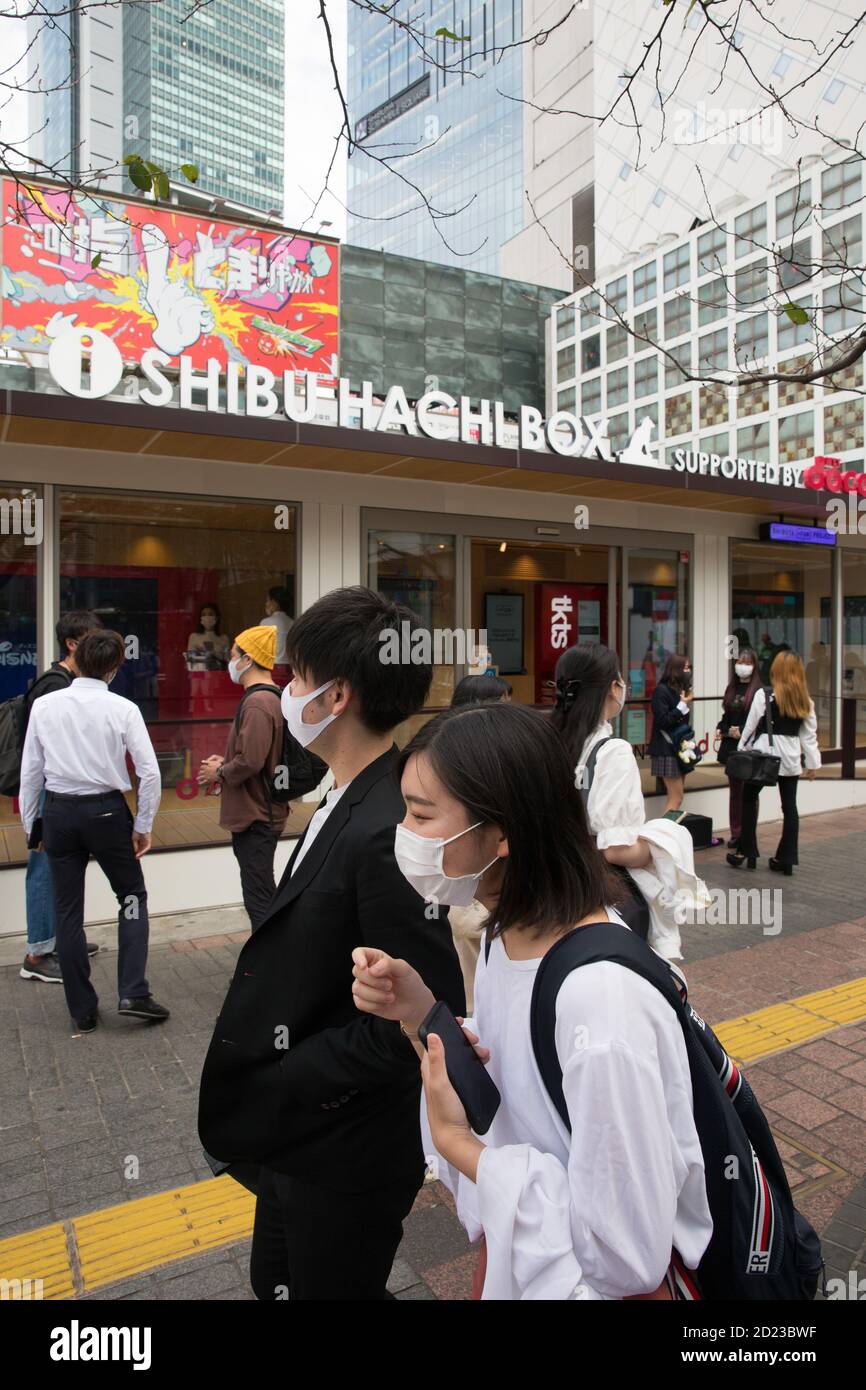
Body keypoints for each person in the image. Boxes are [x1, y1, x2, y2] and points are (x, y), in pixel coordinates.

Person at [350, 701, 712, 1300]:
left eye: (420, 814)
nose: (403, 835)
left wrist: (458, 1146)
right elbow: (527, 1088)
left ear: (503, 833)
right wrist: (421, 1014)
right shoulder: (506, 932)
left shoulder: (602, 1004)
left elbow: (625, 1257)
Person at [197, 585, 465, 1301]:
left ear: (336, 695)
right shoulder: (344, 793)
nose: (286, 691)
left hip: (348, 1148)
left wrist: (294, 1074)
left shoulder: (389, 827)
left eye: (298, 678)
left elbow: (425, 1011)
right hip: (300, 1140)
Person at [19, 630, 168, 1033]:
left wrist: (32, 826)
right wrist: (143, 824)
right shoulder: (122, 708)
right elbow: (149, 773)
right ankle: (133, 991)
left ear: (77, 658)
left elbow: (30, 773)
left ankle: (82, 1010)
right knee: (131, 897)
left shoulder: (46, 705)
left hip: (60, 814)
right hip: (106, 814)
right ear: (115, 668)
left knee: (67, 911)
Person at [549, 642, 708, 961]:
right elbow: (617, 850)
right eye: (620, 679)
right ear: (612, 688)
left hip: (550, 891)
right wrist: (662, 841)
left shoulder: (545, 742)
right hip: (595, 901)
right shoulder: (613, 752)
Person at [197, 626, 325, 932]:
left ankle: (267, 971)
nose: (229, 662)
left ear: (248, 659)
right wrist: (227, 764)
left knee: (259, 898)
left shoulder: (258, 702)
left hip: (256, 816)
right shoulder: (271, 699)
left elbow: (251, 761)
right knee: (261, 891)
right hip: (261, 812)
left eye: (233, 656)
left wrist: (219, 771)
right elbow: (257, 756)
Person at [20, 610, 103, 985]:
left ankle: (63, 940)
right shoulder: (56, 685)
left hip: (60, 792)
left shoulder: (70, 681)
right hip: (50, 790)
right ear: (72, 644)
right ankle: (37, 952)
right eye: (91, 639)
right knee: (43, 868)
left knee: (62, 867)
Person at [728, 650, 821, 873]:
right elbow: (809, 736)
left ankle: (746, 851)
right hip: (789, 758)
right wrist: (812, 764)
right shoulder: (805, 701)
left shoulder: (765, 694)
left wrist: (741, 749)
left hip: (764, 756)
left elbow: (750, 726)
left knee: (749, 799)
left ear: (776, 670)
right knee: (790, 807)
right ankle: (786, 859)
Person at [716, 648, 761, 850]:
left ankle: (748, 832)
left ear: (754, 666)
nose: (742, 665)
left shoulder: (759, 690)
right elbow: (726, 717)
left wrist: (741, 732)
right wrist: (723, 729)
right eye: (740, 661)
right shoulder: (731, 688)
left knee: (748, 793)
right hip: (731, 748)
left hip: (749, 748)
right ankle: (736, 832)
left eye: (747, 662)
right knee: (735, 792)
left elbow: (759, 721)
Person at [648, 653, 694, 820]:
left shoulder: (679, 691)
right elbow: (663, 721)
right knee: (676, 797)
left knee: (675, 798)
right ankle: (662, 836)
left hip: (679, 749)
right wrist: (682, 705)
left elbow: (681, 723)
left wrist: (684, 704)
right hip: (666, 750)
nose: (688, 671)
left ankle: (667, 834)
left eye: (689, 668)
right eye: (686, 667)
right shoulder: (661, 691)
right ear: (675, 670)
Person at [186, 603, 230, 671]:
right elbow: (190, 661)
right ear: (200, 618)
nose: (207, 617)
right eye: (203, 615)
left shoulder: (224, 638)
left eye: (210, 614)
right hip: (199, 676)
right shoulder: (193, 637)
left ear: (217, 617)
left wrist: (215, 654)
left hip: (218, 675)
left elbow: (228, 662)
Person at [261, 586, 292, 667]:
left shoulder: (265, 622)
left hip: (270, 667)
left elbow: (261, 649)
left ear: (274, 602)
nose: (266, 604)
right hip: (289, 668)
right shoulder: (293, 623)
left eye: (268, 600)